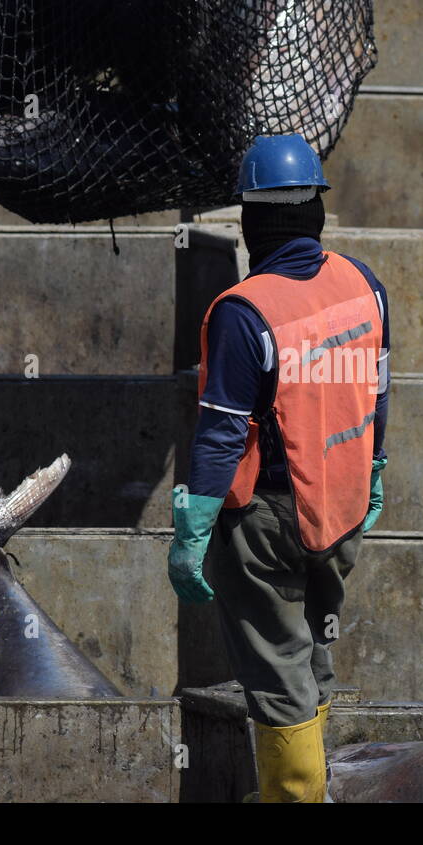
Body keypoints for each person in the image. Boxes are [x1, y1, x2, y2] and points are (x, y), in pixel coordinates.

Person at [167, 133, 390, 802]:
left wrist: (194, 529)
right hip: (341, 505)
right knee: (313, 652)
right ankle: (298, 788)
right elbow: (378, 389)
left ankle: (294, 793)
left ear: (251, 220)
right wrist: (373, 469)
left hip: (268, 522)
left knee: (276, 670)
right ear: (316, 210)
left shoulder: (245, 311)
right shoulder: (362, 284)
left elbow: (221, 435)